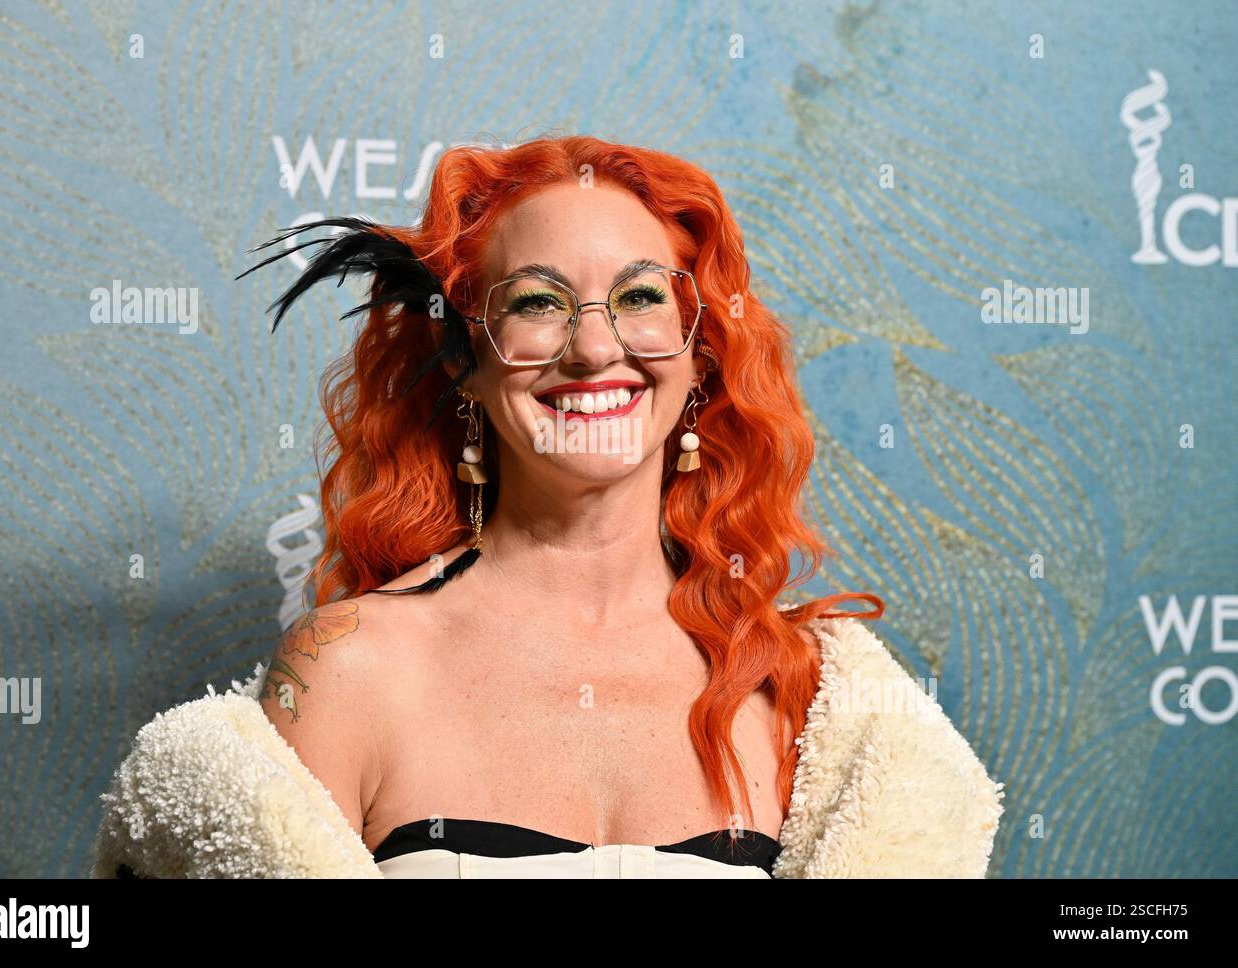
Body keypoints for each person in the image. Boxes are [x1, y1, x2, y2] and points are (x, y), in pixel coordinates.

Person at [91, 135, 1004, 879]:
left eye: (642, 296)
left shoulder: (816, 691)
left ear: (700, 358)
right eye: (538, 303)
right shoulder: (350, 668)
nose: (595, 347)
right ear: (465, 363)